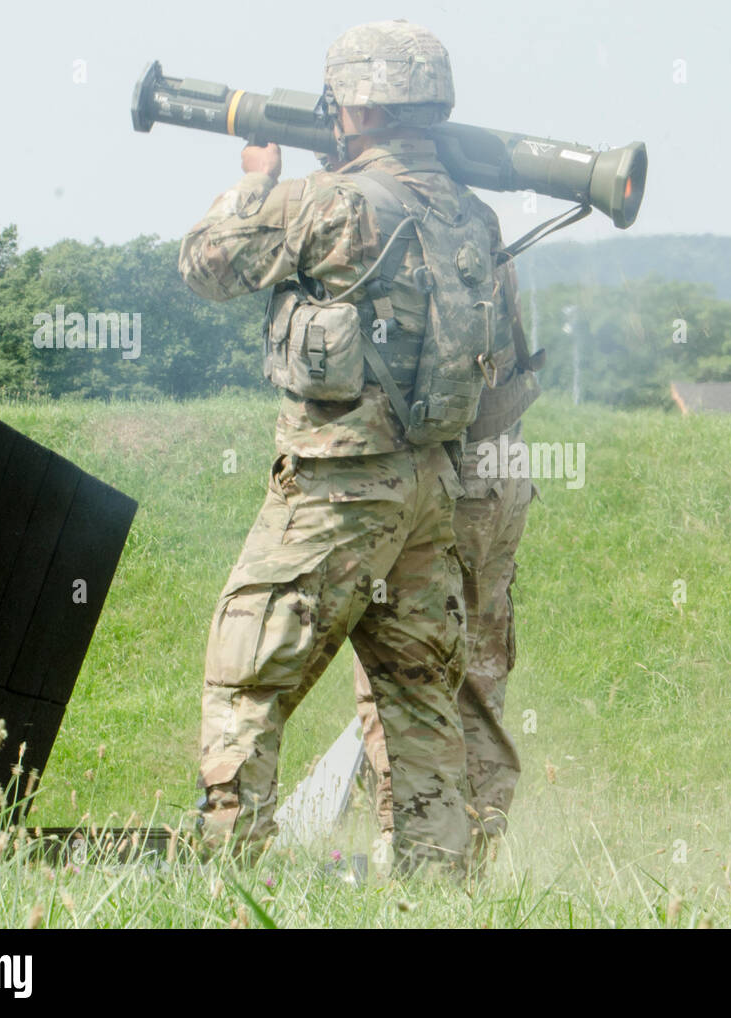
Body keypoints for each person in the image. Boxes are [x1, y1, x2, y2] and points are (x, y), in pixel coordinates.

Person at [178, 19, 501, 878]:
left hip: (337, 491)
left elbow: (207, 266)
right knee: (419, 698)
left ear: (351, 107)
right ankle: (437, 886)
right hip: (428, 490)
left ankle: (226, 876)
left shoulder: (328, 202)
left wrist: (256, 184)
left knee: (248, 678)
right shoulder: (472, 214)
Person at [354, 257, 540, 873]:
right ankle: (476, 847)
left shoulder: (405, 230)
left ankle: (411, 849)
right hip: (502, 464)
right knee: (478, 664)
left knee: (404, 650)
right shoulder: (479, 233)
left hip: (452, 468)